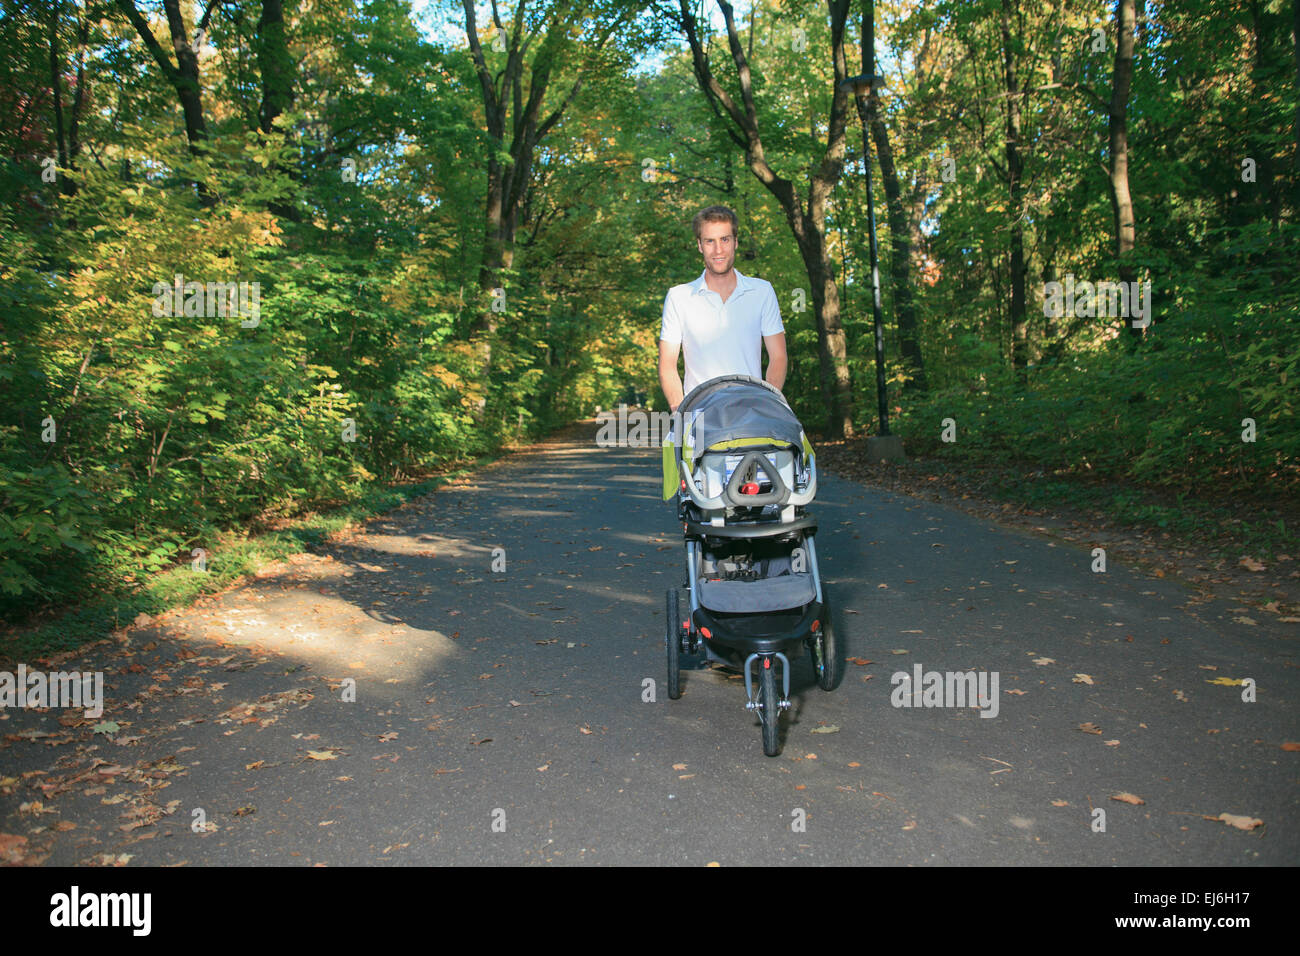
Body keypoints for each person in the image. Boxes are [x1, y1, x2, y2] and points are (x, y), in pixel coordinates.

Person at [658, 205, 787, 415]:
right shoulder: (678, 297)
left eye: (724, 239)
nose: (718, 250)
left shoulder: (762, 291)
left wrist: (767, 405)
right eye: (710, 241)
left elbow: (779, 357)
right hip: (699, 418)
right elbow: (667, 365)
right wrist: (679, 410)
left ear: (735, 242)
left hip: (752, 416)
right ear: (700, 245)